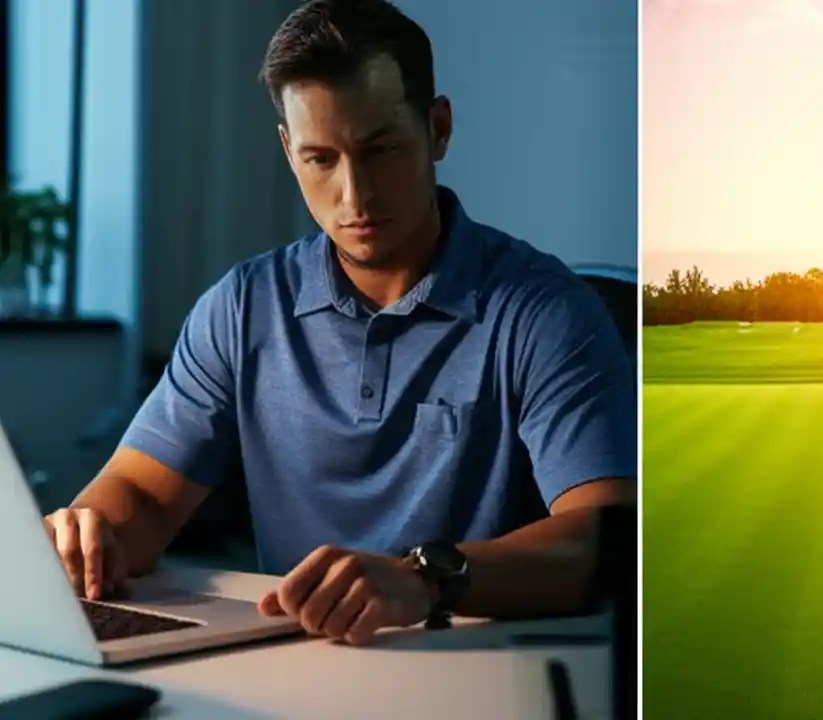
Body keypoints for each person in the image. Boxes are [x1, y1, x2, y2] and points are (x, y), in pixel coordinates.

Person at [41, 0, 636, 646]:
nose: (355, 196)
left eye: (380, 150)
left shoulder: (545, 312)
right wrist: (89, 533)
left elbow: (609, 536)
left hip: (481, 676)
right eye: (321, 159)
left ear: (438, 128)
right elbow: (144, 495)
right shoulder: (242, 307)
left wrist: (425, 577)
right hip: (293, 672)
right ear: (287, 151)